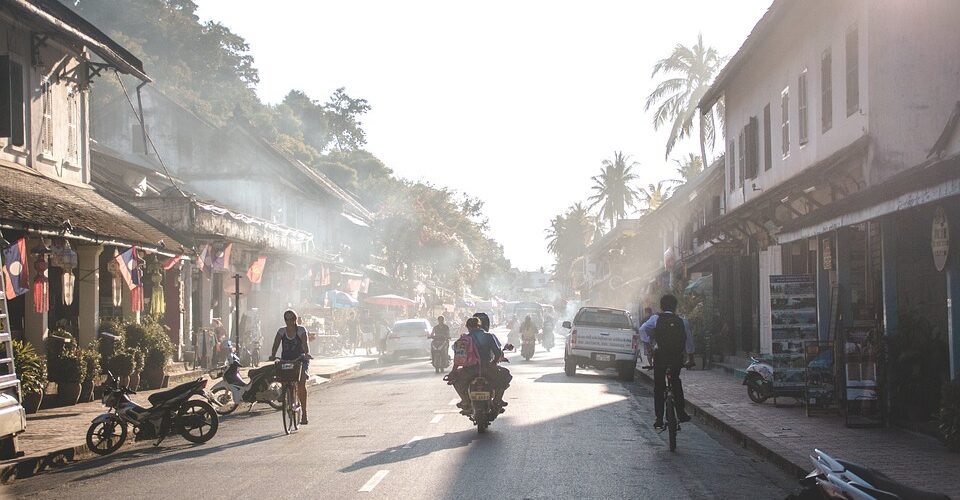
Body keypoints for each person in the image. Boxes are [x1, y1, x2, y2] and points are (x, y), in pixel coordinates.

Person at [639, 294, 695, 429]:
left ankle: (659, 418)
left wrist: (648, 346)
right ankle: (681, 413)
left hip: (660, 357)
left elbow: (642, 329)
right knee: (675, 381)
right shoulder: (682, 321)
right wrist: (690, 358)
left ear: (662, 306)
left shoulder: (656, 318)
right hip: (676, 358)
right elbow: (689, 342)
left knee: (659, 386)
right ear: (675, 307)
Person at [449, 317, 512, 414]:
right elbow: (498, 353)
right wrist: (493, 364)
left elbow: (458, 358)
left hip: (469, 370)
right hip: (488, 368)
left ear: (468, 327)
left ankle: (465, 400)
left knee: (455, 379)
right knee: (506, 375)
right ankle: (498, 399)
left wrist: (453, 371)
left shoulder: (464, 339)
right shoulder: (489, 336)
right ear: (479, 325)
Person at [269, 309, 312, 425]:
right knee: (284, 381)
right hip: (286, 360)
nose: (289, 321)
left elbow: (305, 343)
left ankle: (304, 413)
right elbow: (276, 344)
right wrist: (273, 355)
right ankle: (287, 398)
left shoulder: (301, 330)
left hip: (300, 360)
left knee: (301, 383)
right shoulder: (281, 331)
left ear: (295, 319)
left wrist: (306, 352)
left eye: (292, 319)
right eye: (287, 319)